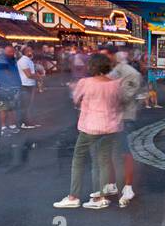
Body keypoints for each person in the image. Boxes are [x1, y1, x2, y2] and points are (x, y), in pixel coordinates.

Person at [53, 53, 123, 210]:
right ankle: (100, 198)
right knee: (103, 160)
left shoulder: (85, 82)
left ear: (91, 66)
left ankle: (73, 197)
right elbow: (119, 103)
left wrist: (74, 89)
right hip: (110, 126)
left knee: (78, 159)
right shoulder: (115, 84)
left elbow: (76, 99)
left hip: (90, 126)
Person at [108, 51, 143, 207]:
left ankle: (126, 186)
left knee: (122, 151)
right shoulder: (121, 72)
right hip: (120, 116)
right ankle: (115, 184)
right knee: (117, 150)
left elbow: (124, 96)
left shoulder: (128, 74)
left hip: (123, 116)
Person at [0, 44, 23, 132]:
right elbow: (3, 74)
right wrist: (12, 83)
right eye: (10, 52)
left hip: (12, 87)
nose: (12, 53)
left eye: (12, 51)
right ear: (5, 52)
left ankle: (12, 125)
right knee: (4, 108)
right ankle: (4, 127)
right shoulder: (2, 60)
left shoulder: (11, 59)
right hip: (5, 88)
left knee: (11, 107)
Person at [17, 45, 41, 129]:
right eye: (29, 50)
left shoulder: (29, 60)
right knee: (25, 105)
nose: (31, 52)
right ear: (25, 52)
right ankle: (24, 123)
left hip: (30, 84)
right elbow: (29, 75)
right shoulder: (23, 61)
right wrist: (38, 76)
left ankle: (29, 121)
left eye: (31, 50)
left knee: (29, 104)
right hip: (25, 84)